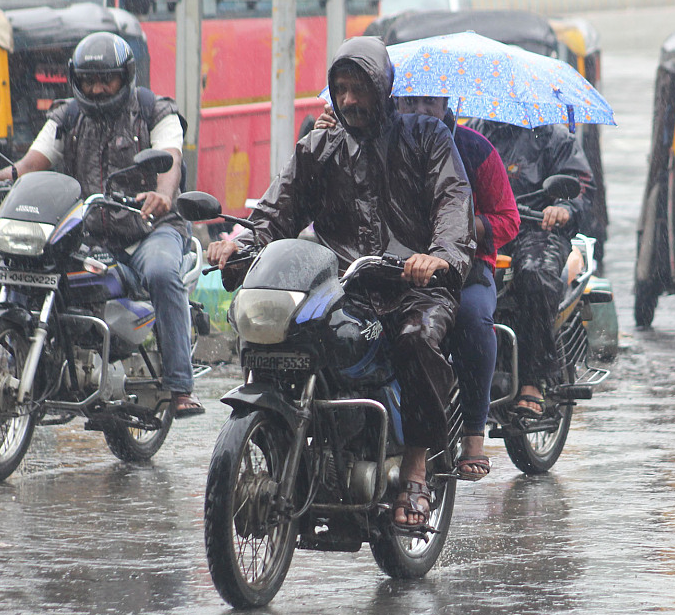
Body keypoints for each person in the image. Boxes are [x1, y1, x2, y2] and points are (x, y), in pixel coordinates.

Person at [206, 37, 475, 530]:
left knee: (416, 339)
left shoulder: (428, 138)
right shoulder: (319, 147)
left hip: (411, 286)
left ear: (383, 89)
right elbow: (275, 211)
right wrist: (239, 245)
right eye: (341, 89)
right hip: (343, 286)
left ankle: (416, 465)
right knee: (292, 335)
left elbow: (452, 206)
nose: (349, 100)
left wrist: (436, 257)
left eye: (360, 89)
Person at [0, 31, 204, 418]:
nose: (96, 88)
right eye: (88, 80)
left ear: (124, 76)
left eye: (105, 79)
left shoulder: (154, 110)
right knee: (30, 267)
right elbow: (32, 163)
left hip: (151, 229)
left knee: (162, 273)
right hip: (91, 231)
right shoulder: (68, 116)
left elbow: (170, 158)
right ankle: (34, 367)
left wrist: (162, 194)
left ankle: (180, 386)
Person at [317, 95, 520, 481]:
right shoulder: (371, 143)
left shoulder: (476, 149)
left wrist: (456, 230)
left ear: (447, 104)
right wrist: (329, 139)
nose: (422, 111)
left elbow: (508, 220)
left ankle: (474, 432)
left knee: (474, 321)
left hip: (465, 269)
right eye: (412, 102)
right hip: (386, 266)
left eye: (431, 103)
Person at [463, 118, 596, 419]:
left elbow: (581, 188)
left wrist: (564, 208)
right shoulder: (473, 131)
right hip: (485, 227)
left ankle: (532, 381)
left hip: (536, 230)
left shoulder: (556, 138)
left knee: (534, 275)